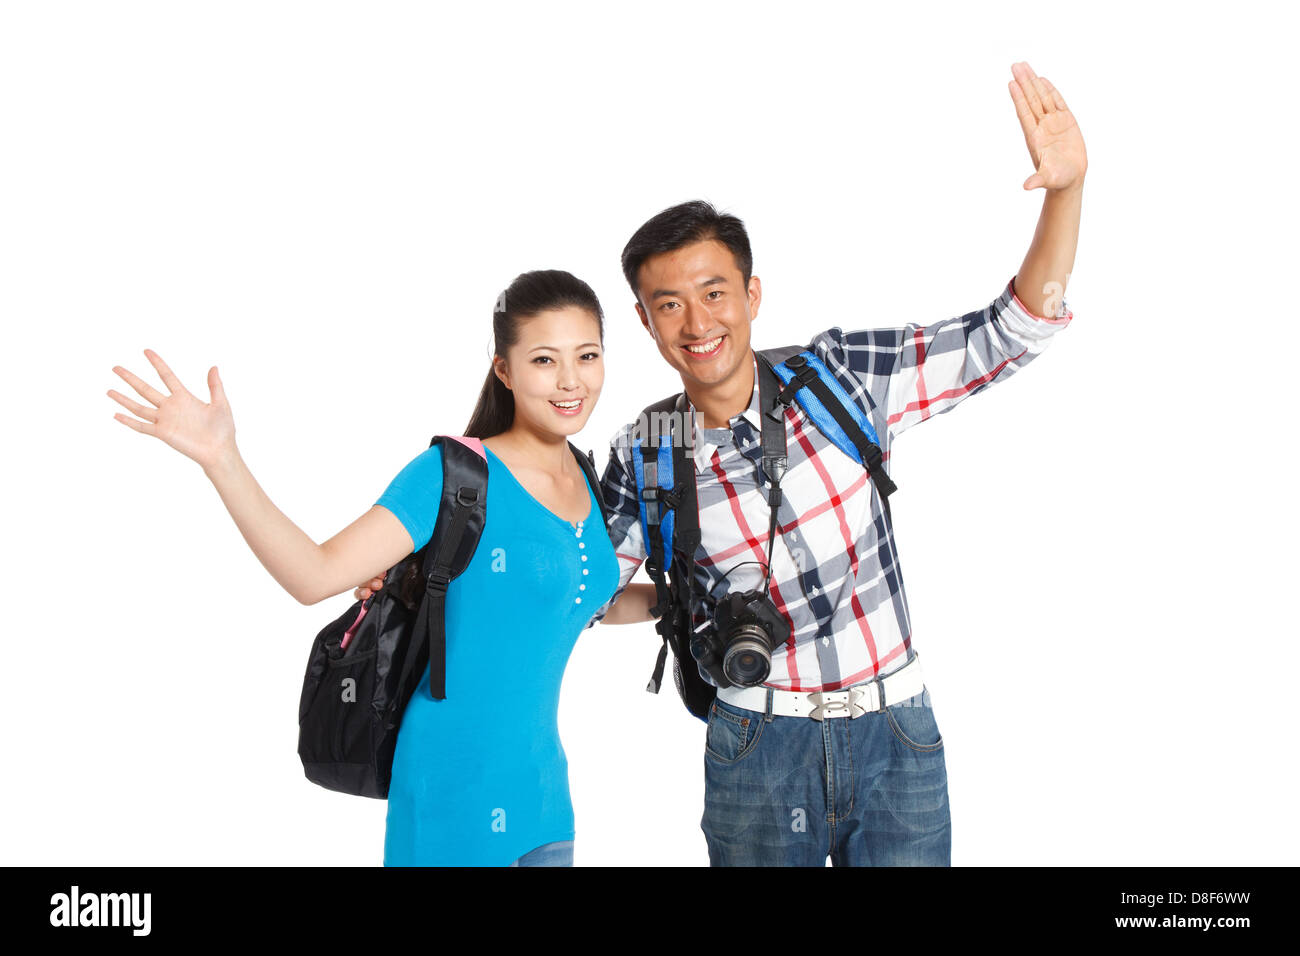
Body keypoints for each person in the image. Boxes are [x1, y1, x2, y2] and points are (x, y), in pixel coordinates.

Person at [583, 61, 1086, 865]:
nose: (696, 322)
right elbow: (577, 587)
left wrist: (1066, 191)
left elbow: (1011, 332)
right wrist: (670, 605)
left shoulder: (842, 376)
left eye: (714, 293)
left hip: (896, 733)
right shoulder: (647, 448)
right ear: (645, 323)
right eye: (667, 304)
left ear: (753, 296)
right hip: (755, 741)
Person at [108, 269, 657, 866]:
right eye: (545, 360)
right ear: (504, 369)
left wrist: (680, 602)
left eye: (588, 355)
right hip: (452, 795)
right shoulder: (453, 476)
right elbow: (314, 574)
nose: (571, 380)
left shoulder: (582, 472)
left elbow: (581, 601)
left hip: (546, 801)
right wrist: (222, 458)